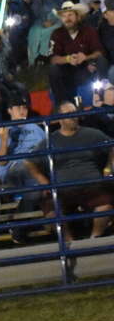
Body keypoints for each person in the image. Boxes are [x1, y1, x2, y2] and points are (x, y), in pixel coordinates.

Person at [47, 102, 113, 241]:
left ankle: (94, 239)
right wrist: (44, 182)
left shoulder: (92, 134)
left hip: (91, 185)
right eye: (68, 114)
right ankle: (68, 243)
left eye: (75, 113)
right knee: (51, 209)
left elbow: (112, 147)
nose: (73, 117)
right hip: (64, 189)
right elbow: (29, 162)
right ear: (59, 118)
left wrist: (108, 168)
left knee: (105, 203)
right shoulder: (50, 140)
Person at [49, 1, 108, 105]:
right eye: (64, 16)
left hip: (86, 70)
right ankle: (63, 107)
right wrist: (67, 59)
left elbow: (99, 52)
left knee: (101, 61)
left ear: (78, 16)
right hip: (67, 72)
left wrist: (86, 57)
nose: (67, 19)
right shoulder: (57, 34)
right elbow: (53, 58)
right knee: (53, 68)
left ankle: (103, 100)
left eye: (70, 15)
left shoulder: (89, 31)